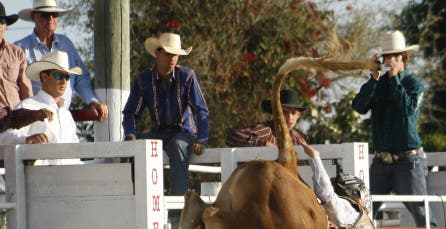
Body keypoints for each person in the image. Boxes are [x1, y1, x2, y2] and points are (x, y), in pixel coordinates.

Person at [351, 31, 438, 229]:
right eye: (387, 56)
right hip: (381, 161)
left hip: (409, 161)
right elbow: (358, 106)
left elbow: (407, 109)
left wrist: (394, 79)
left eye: (395, 56)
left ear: (403, 58)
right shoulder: (377, 84)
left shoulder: (414, 85)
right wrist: (373, 79)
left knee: (422, 213)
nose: (391, 61)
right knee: (362, 211)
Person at [123, 33, 209, 197]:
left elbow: (201, 109)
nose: (172, 59)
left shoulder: (187, 76)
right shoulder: (144, 79)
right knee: (137, 147)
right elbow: (130, 113)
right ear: (158, 53)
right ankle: (136, 198)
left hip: (184, 133)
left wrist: (202, 139)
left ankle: (178, 208)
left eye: (175, 55)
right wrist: (130, 135)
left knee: (177, 146)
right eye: (168, 54)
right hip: (159, 133)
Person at [14, 0, 108, 121]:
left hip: (62, 116)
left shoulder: (66, 44)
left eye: (54, 14)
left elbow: (81, 78)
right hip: (33, 119)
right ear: (34, 17)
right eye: (45, 15)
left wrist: (92, 101)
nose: (51, 18)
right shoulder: (19, 49)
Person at [0, 50, 80, 164]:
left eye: (67, 77)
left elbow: (75, 153)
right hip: (37, 179)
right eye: (58, 75)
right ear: (44, 77)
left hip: (69, 178)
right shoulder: (27, 106)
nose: (64, 81)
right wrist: (26, 140)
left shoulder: (66, 115)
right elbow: (5, 136)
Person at [226, 89, 307, 147]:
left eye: (293, 113)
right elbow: (232, 137)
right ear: (276, 113)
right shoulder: (267, 130)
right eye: (285, 112)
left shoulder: (297, 139)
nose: (290, 118)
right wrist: (263, 144)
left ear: (298, 115)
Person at [0, 2, 32, 112]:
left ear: (6, 26)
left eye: (2, 21)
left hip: (16, 119)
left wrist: (29, 115)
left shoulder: (17, 52)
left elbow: (25, 89)